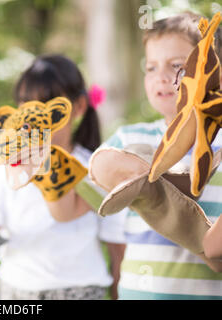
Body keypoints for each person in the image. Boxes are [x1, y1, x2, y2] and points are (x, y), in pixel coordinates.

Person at [0, 54, 126, 300]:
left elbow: (117, 246)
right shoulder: (5, 167)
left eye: (46, 104)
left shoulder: (96, 168)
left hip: (81, 291)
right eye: (25, 104)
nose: (34, 118)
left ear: (77, 107)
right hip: (16, 290)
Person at [100, 12, 222, 299]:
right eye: (151, 67)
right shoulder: (129, 139)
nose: (163, 78)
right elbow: (98, 179)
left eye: (178, 66)